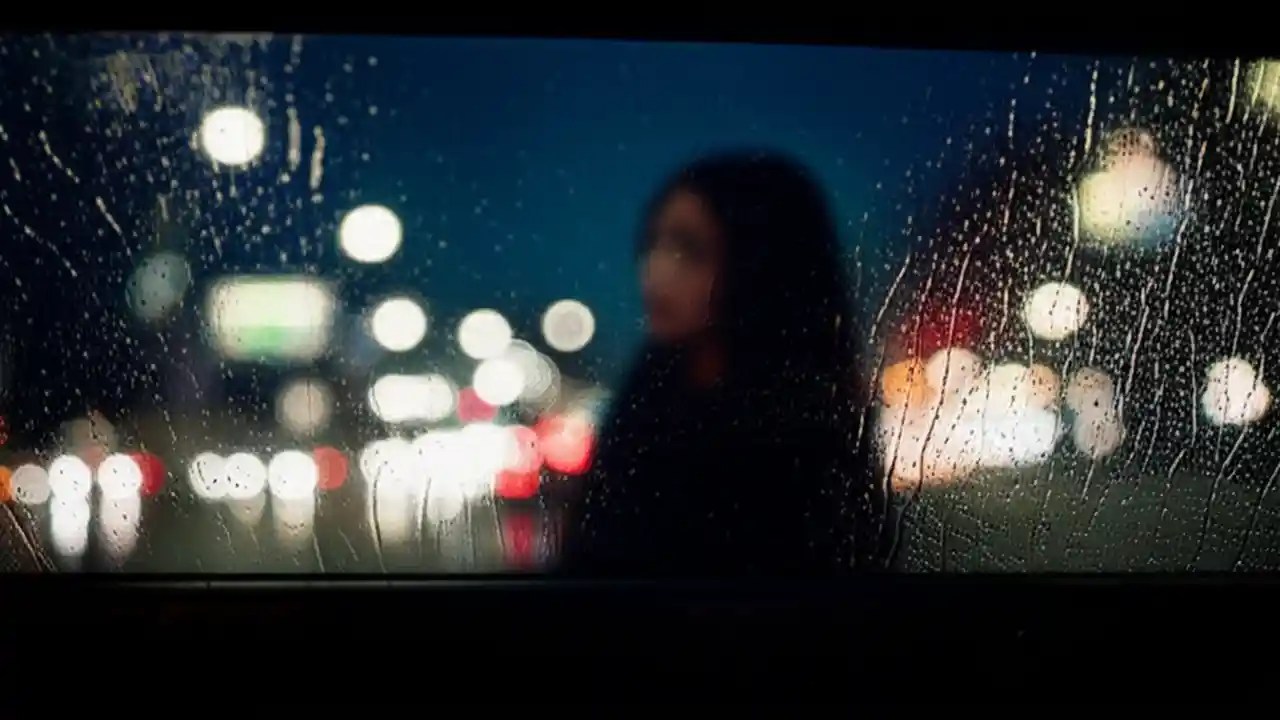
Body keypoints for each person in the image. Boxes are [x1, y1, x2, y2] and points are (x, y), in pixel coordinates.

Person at [557, 150, 883, 576]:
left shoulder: (806, 434)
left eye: (688, 250)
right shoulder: (645, 403)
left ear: (761, 263)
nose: (654, 271)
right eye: (652, 243)